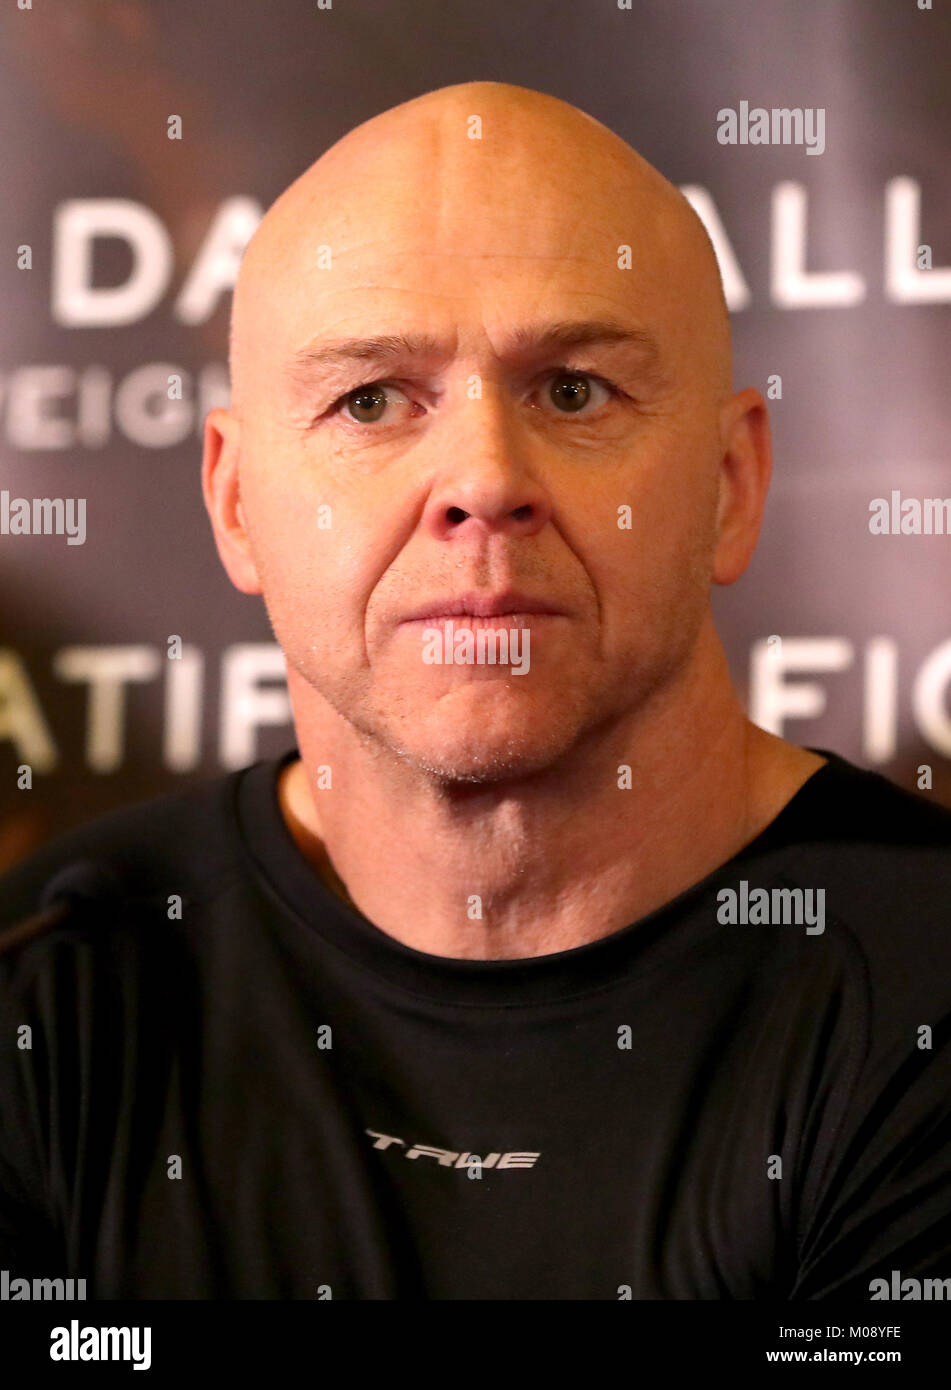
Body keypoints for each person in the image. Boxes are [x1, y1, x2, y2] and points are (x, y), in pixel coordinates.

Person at [1, 81, 949, 1300]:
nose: (484, 481)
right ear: (237, 503)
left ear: (731, 482)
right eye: (372, 400)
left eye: (572, 390)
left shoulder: (926, 991)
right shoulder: (49, 992)